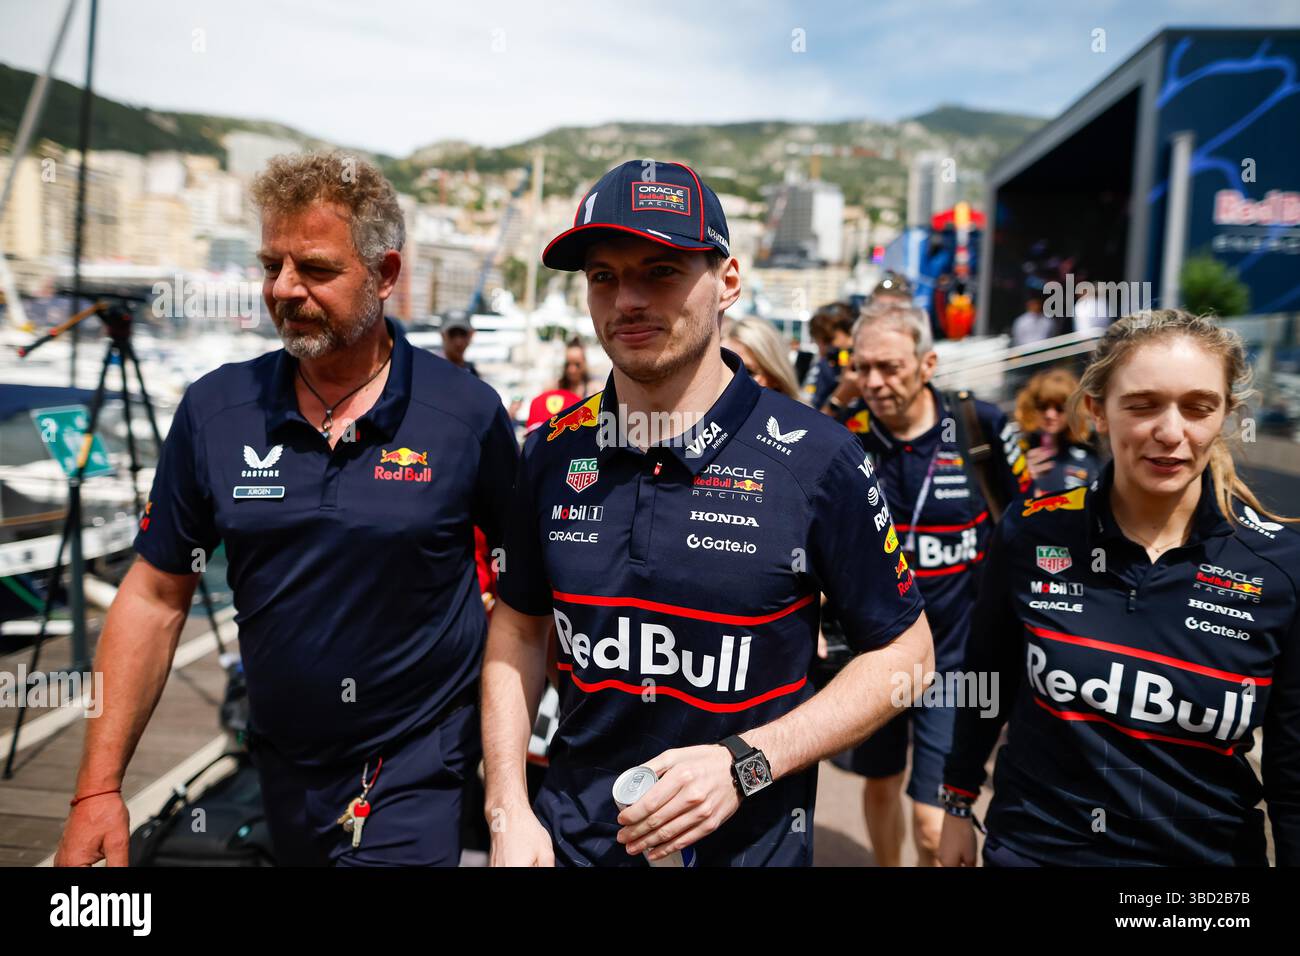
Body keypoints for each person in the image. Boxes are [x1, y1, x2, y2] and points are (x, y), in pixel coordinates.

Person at [53, 151, 519, 867]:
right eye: (272, 265)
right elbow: (153, 595)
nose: (285, 289)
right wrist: (97, 789)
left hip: (416, 769)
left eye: (317, 269)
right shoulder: (217, 409)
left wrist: (509, 795)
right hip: (281, 765)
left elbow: (526, 595)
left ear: (387, 275)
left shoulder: (465, 414)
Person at [480, 159, 933, 867]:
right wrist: (507, 810)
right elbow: (518, 628)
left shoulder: (818, 458)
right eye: (603, 276)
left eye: (659, 270)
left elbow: (909, 655)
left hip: (750, 851)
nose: (626, 298)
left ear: (727, 282)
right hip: (574, 844)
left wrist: (745, 763)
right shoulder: (549, 451)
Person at [939, 309, 1300, 867]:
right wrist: (957, 802)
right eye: (1143, 404)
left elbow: (1292, 769)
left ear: (1226, 415)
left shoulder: (1280, 567)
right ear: (1097, 412)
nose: (1171, 432)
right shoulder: (1033, 530)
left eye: (1199, 407)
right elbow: (986, 676)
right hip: (1034, 852)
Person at [825, 300, 1028, 866]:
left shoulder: (979, 426)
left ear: (928, 363)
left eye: (889, 367)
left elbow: (1032, 525)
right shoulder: (844, 438)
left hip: (954, 660)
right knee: (881, 783)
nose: (874, 382)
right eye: (861, 368)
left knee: (934, 827)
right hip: (874, 656)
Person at [1014, 367, 1100, 495]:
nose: (1050, 414)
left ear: (1072, 411)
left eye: (1059, 407)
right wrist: (1023, 480)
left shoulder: (1085, 459)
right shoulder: (1017, 453)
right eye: (1042, 406)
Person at [722, 316, 803, 400]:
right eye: (722, 369)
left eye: (747, 372)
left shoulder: (797, 412)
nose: (729, 381)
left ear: (775, 378)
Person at [803, 302, 855, 410]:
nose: (824, 349)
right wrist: (840, 396)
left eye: (829, 340)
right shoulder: (823, 367)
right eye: (821, 342)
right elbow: (813, 414)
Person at [439, 310, 479, 377]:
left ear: (471, 335)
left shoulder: (472, 373)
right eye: (452, 334)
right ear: (443, 335)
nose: (458, 342)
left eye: (463, 334)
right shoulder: (433, 371)